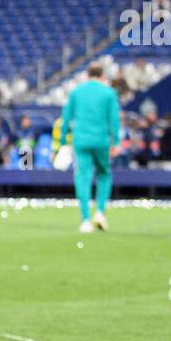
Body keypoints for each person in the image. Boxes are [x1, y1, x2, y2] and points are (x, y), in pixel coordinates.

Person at [59, 63, 121, 234]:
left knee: (83, 177)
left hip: (81, 140)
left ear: (87, 75)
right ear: (102, 76)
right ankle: (100, 212)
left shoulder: (77, 92)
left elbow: (66, 117)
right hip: (101, 140)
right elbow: (114, 119)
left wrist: (63, 140)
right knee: (104, 174)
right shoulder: (108, 93)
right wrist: (116, 141)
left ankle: (85, 219)